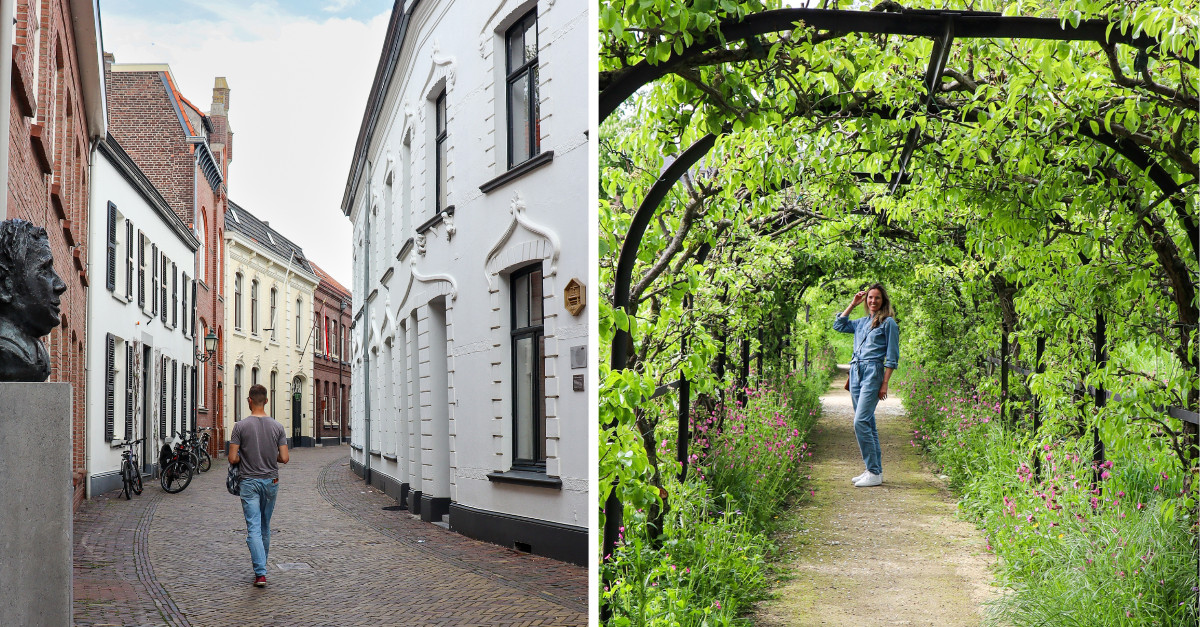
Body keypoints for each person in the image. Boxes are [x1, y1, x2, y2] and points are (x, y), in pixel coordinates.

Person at [833, 284, 899, 487]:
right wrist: (853, 304)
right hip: (855, 372)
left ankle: (873, 470)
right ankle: (874, 471)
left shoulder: (889, 324)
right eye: (870, 297)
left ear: (883, 301)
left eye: (877, 298)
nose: (873, 301)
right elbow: (839, 325)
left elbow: (892, 357)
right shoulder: (862, 322)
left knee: (860, 421)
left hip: (873, 373)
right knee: (868, 422)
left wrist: (884, 383)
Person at [228, 383, 289, 587]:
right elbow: (285, 458)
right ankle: (261, 568)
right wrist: (272, 456)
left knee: (253, 526)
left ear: (249, 401)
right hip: (271, 480)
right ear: (267, 401)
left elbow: (232, 457)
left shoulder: (240, 426)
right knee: (265, 525)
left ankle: (260, 573)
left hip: (249, 481)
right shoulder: (278, 427)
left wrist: (245, 456)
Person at [0, 219, 67, 381]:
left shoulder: (35, 354)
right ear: (5, 285)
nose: (60, 285)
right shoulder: (6, 353)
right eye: (44, 269)